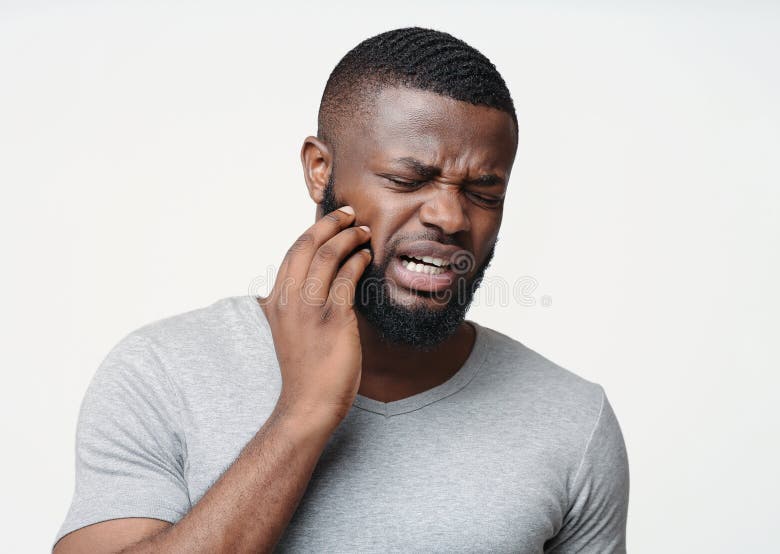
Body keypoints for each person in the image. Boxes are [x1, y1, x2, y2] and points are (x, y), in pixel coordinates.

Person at [53, 27, 629, 553]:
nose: (451, 217)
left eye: (484, 193)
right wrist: (303, 414)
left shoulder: (571, 421)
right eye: (408, 179)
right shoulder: (162, 374)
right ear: (319, 170)